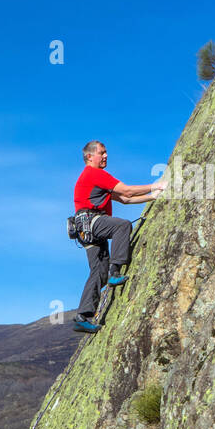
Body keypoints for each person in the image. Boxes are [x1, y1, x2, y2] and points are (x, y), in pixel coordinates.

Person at [71, 141, 163, 333]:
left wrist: (154, 195)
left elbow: (126, 199)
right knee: (122, 226)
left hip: (84, 229)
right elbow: (127, 191)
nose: (105, 156)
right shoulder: (94, 174)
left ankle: (83, 315)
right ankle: (116, 270)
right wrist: (157, 185)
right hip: (92, 220)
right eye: (101, 153)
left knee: (98, 272)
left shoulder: (90, 179)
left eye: (105, 153)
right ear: (89, 157)